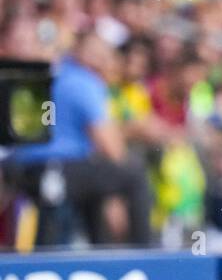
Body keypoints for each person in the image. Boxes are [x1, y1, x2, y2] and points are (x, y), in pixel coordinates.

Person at [3, 30, 152, 246]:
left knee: (96, 186)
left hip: (23, 166)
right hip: (58, 170)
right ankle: (144, 254)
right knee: (134, 173)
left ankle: (101, 250)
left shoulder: (53, 73)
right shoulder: (85, 82)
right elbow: (112, 149)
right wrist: (116, 199)